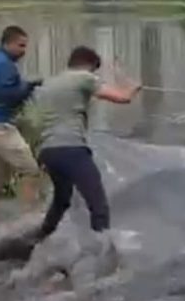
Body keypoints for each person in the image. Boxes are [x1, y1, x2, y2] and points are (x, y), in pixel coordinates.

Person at [34, 46, 141, 244]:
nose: (94, 75)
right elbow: (123, 97)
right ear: (88, 65)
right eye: (94, 70)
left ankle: (39, 238)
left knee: (62, 199)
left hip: (47, 150)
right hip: (71, 148)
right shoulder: (84, 77)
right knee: (98, 204)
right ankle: (102, 251)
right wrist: (134, 87)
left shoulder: (50, 82)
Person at [0, 25, 44, 225]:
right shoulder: (5, 65)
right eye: (20, 46)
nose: (23, 51)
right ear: (7, 43)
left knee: (0, 174)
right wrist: (29, 85)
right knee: (30, 169)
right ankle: (30, 217)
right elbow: (10, 94)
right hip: (1, 126)